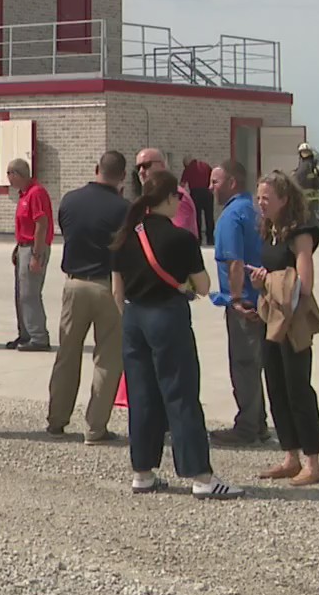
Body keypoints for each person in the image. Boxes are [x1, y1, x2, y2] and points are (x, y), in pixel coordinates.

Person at [111, 169, 241, 500]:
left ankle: (142, 472)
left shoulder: (126, 234)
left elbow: (116, 290)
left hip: (134, 317)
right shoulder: (181, 238)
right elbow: (204, 286)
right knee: (180, 393)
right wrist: (184, 285)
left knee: (141, 396)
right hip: (166, 315)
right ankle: (200, 475)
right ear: (170, 198)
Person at [249, 173, 319, 486]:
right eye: (259, 197)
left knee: (298, 388)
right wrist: (261, 282)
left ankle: (313, 462)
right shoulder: (269, 230)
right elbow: (275, 275)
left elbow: (304, 284)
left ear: (284, 200)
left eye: (266, 198)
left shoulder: (300, 233)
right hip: (272, 317)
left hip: (293, 321)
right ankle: (290, 456)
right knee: (276, 386)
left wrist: (268, 280)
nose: (261, 203)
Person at [48, 150, 128, 443]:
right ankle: (95, 428)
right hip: (109, 285)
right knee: (107, 358)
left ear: (96, 169)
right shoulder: (124, 209)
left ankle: (57, 420)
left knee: (67, 354)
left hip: (74, 283)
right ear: (122, 177)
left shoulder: (70, 200)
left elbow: (67, 231)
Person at [208, 159, 268, 446]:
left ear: (232, 182)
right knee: (255, 364)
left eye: (215, 182)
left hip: (244, 303)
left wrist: (235, 299)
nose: (210, 188)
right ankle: (258, 422)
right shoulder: (255, 209)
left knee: (244, 365)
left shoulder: (231, 216)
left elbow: (234, 262)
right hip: (262, 299)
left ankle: (247, 428)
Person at [6, 158, 54, 353]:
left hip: (34, 247)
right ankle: (25, 333)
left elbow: (41, 224)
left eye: (9, 174)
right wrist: (18, 248)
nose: (8, 179)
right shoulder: (24, 194)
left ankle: (39, 337)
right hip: (24, 247)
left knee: (29, 294)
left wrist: (36, 254)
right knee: (21, 294)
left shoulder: (36, 193)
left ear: (17, 174)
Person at [181, 157, 214, 245]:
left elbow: (182, 184)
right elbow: (212, 178)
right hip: (207, 192)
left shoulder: (188, 169)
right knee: (209, 217)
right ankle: (210, 239)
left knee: (197, 217)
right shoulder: (206, 165)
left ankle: (198, 239)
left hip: (195, 193)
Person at [294, 144, 319, 218]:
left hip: (306, 197)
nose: (305, 154)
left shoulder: (306, 165)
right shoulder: (309, 164)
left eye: (306, 151)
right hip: (310, 197)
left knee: (306, 217)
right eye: (303, 151)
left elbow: (299, 179)